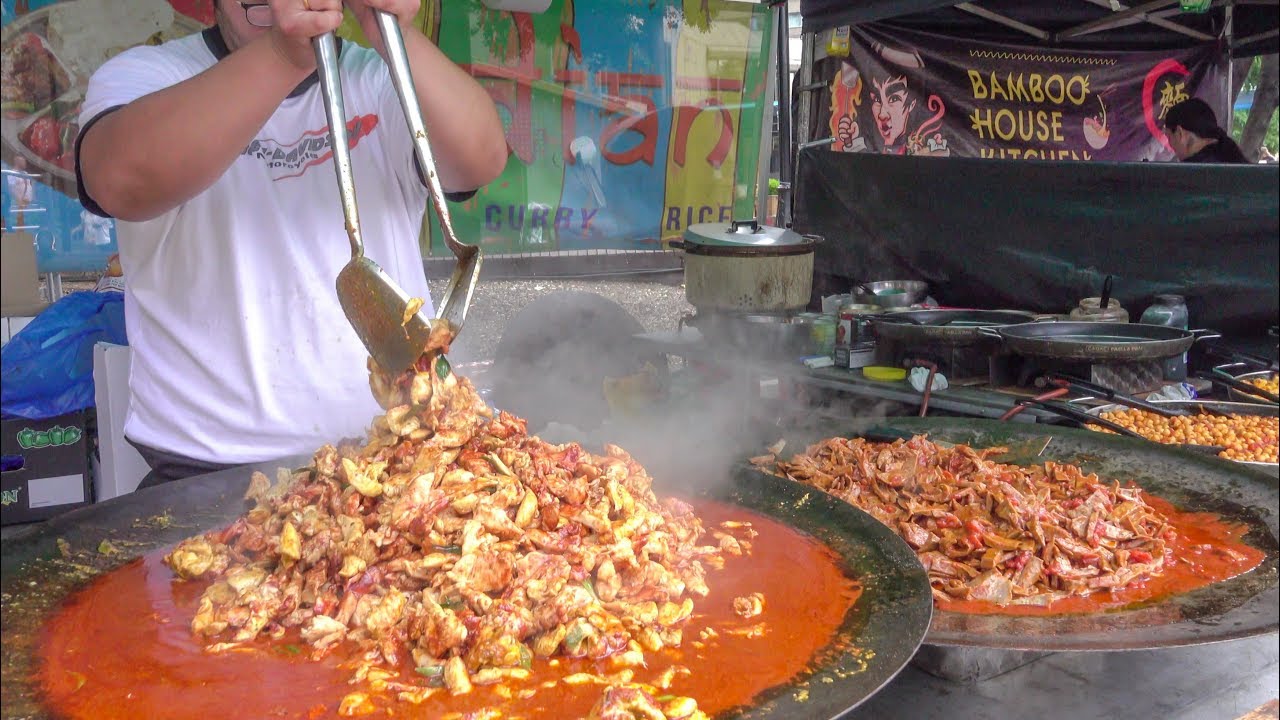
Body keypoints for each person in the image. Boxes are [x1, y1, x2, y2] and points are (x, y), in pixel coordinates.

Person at [75, 0, 507, 488]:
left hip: (396, 459)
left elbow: (482, 158)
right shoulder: (149, 76)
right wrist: (285, 53)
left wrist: (395, 31)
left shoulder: (378, 78)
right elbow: (120, 181)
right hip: (208, 475)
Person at [1163, 98, 1248, 164]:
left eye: (1169, 137)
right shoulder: (1234, 161)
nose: (1170, 144)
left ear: (1180, 133)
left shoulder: (1189, 174)